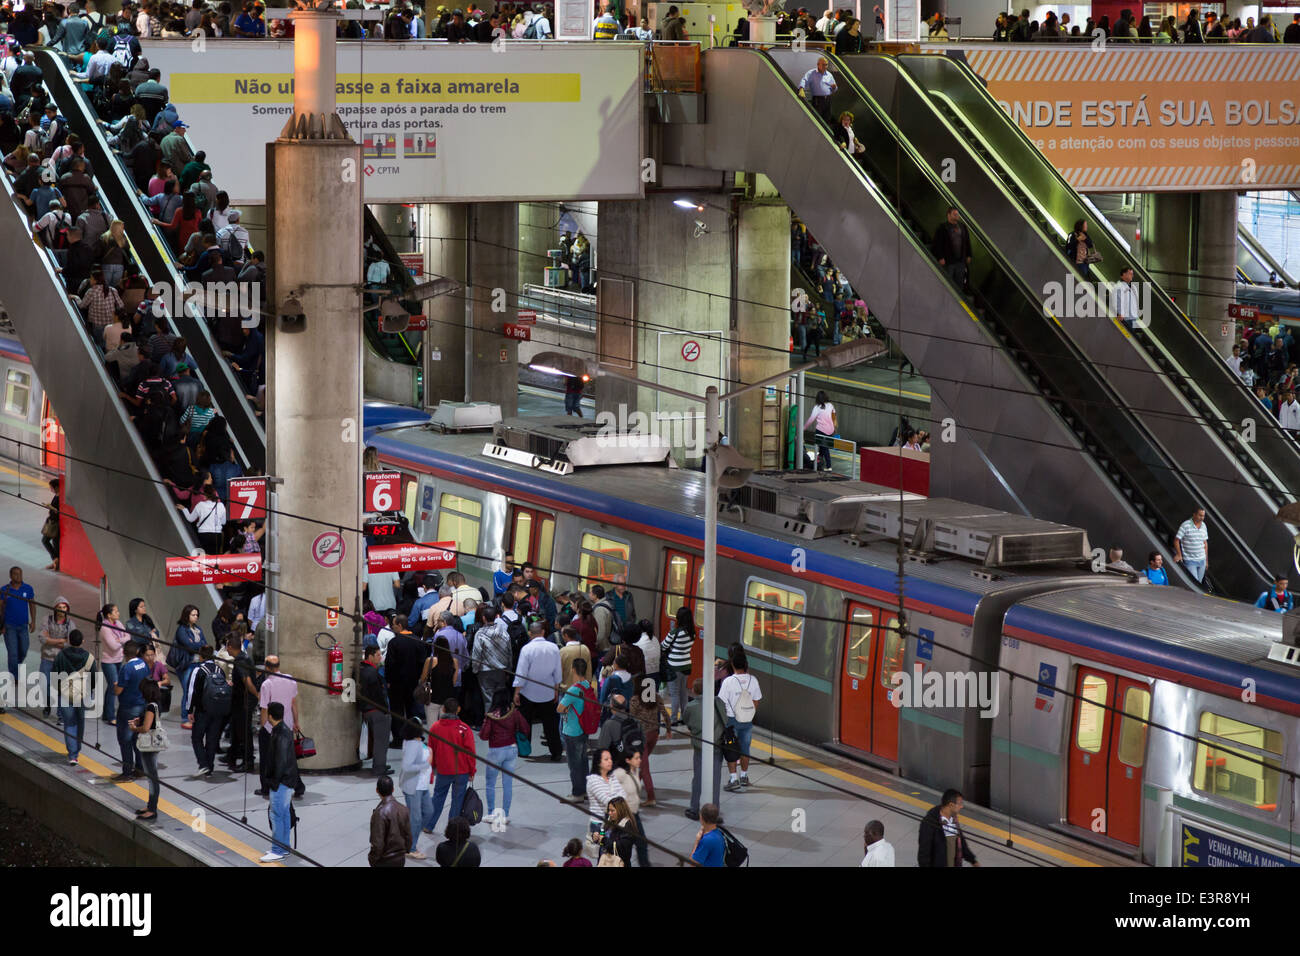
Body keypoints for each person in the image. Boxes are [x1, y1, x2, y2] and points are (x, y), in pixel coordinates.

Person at [513, 620, 563, 761]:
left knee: (524, 723)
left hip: (528, 691)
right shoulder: (553, 648)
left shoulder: (526, 649)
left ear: (530, 633)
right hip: (547, 690)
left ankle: (524, 750)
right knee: (551, 724)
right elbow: (557, 671)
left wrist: (517, 691)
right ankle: (556, 751)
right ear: (543, 632)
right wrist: (556, 689)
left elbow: (521, 672)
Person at [480, 687, 529, 824]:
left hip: (495, 751)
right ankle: (505, 815)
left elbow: (483, 736)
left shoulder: (491, 716)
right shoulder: (515, 713)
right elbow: (526, 728)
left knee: (490, 784)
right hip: (512, 749)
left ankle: (491, 813)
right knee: (507, 784)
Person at [427, 697, 477, 832]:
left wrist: (431, 770)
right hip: (461, 771)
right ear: (458, 710)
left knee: (437, 797)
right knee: (457, 801)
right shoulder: (465, 729)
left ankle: (428, 825)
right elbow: (471, 753)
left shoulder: (435, 727)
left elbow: (430, 750)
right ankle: (452, 830)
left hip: (443, 770)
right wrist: (472, 771)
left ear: (443, 709)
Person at [262, 700, 301, 862]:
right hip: (288, 781)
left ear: (270, 716)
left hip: (281, 782)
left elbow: (280, 762)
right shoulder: (284, 731)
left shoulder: (280, 734)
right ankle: (284, 847)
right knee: (284, 814)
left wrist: (273, 782)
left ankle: (277, 850)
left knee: (276, 815)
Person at [256, 655, 300, 797]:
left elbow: (264, 709)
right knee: (287, 758)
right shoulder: (290, 680)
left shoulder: (266, 685)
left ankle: (266, 788)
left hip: (271, 727)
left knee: (267, 759)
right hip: (287, 725)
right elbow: (293, 703)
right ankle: (296, 786)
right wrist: (296, 722)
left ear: (267, 667)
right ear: (278, 666)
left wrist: (263, 727)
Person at [684, 677, 727, 820]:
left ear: (694, 691)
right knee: (715, 780)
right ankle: (714, 812)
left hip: (700, 747)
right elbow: (726, 720)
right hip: (717, 747)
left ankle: (694, 808)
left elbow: (687, 722)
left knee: (698, 779)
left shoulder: (691, 706)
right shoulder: (719, 703)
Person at [719, 647, 761, 791]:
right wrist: (749, 713)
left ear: (732, 665)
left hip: (731, 720)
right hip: (747, 720)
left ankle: (733, 779)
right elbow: (756, 700)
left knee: (730, 748)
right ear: (746, 665)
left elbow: (721, 702)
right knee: (745, 748)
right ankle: (744, 776)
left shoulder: (728, 682)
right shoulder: (753, 680)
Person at [53, 629, 95, 765]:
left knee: (69, 723)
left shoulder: (61, 655)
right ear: (82, 641)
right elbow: (94, 678)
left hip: (65, 694)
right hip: (82, 695)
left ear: (69, 641)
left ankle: (72, 755)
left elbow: (54, 675)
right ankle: (77, 749)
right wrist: (90, 691)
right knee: (80, 722)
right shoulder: (89, 658)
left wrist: (58, 689)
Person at [557, 657, 595, 801]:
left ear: (573, 669)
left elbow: (560, 708)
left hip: (572, 731)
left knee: (574, 764)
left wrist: (566, 708)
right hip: (584, 729)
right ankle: (584, 790)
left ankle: (577, 793)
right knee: (583, 761)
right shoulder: (587, 685)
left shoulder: (573, 689)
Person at [113, 640, 152, 780]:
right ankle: (140, 768)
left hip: (128, 707)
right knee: (137, 738)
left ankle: (127, 772)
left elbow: (118, 690)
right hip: (142, 705)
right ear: (137, 652)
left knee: (125, 740)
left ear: (124, 653)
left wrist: (115, 685)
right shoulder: (144, 665)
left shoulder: (126, 668)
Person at [187, 645, 228, 775]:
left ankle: (203, 764)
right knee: (212, 739)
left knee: (196, 738)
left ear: (201, 655)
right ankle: (209, 768)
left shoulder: (199, 670)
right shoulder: (219, 670)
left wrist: (189, 710)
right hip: (218, 710)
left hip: (202, 710)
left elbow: (191, 691)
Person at [129, 678, 164, 821]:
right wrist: (141, 719)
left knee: (152, 777)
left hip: (148, 746)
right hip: (153, 744)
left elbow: (146, 728)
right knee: (151, 776)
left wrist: (134, 728)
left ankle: (152, 809)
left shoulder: (150, 707)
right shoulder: (156, 704)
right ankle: (150, 805)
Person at [918, 788, 979, 867]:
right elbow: (924, 852)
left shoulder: (953, 819)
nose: (961, 806)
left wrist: (973, 860)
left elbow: (961, 843)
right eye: (959, 803)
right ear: (951, 805)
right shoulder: (930, 822)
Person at [398, 717, 431, 859]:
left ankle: (409, 834)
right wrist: (425, 765)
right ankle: (410, 847)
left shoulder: (417, 741)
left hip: (423, 785)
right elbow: (406, 766)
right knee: (416, 818)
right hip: (414, 786)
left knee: (429, 812)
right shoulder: (412, 744)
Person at [612, 750, 650, 866]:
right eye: (637, 758)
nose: (640, 760)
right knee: (625, 848)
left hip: (634, 814)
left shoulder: (635, 770)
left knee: (641, 843)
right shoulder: (619, 774)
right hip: (623, 817)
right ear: (628, 760)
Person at [358, 644, 392, 775]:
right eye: (378, 655)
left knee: (378, 739)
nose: (380, 657)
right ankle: (379, 767)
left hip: (367, 710)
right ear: (370, 656)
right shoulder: (372, 672)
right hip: (376, 711)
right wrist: (385, 710)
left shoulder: (362, 669)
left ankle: (379, 764)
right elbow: (378, 694)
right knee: (381, 741)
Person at [1, 566, 36, 691]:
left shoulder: (28, 589)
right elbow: (0, 608)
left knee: (24, 649)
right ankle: (14, 676)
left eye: (20, 574)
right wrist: (1, 625)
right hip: (9, 627)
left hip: (23, 626)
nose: (18, 576)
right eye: (15, 574)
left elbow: (32, 605)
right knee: (13, 653)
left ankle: (15, 666)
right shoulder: (4, 590)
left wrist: (33, 621)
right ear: (11, 576)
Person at [171, 604, 207, 724]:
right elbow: (189, 645)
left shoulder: (198, 629)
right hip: (186, 665)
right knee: (187, 691)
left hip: (198, 664)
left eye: (197, 615)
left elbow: (205, 645)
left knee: (197, 691)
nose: (196, 617)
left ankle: (193, 714)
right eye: (193, 615)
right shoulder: (181, 629)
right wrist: (198, 645)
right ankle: (185, 716)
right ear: (187, 615)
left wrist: (197, 645)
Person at [662, 606, 696, 727]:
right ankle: (684, 717)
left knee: (674, 693)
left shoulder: (675, 633)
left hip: (674, 666)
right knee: (683, 693)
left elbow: (663, 646)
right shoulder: (692, 633)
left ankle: (673, 719)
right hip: (686, 665)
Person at [39, 597, 72, 718]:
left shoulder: (70, 624)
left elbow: (71, 642)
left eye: (64, 607)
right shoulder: (47, 620)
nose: (62, 610)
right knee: (44, 683)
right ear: (55, 608)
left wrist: (50, 640)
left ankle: (60, 712)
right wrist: (60, 641)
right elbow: (42, 638)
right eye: (59, 607)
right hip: (47, 658)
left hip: (62, 660)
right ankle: (47, 705)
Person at [369, 774, 412, 867]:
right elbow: (408, 835)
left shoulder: (379, 813)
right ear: (393, 789)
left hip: (384, 860)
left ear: (377, 790)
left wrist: (372, 858)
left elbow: (377, 842)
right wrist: (405, 851)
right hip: (400, 859)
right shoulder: (404, 809)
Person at [585, 748, 626, 844]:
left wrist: (616, 797)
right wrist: (616, 797)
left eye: (610, 759)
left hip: (613, 820)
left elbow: (623, 795)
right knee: (604, 852)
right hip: (600, 824)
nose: (610, 761)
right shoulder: (593, 781)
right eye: (606, 759)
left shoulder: (612, 777)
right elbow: (607, 801)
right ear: (598, 763)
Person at [932, 205, 972, 290]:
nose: (957, 216)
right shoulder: (942, 228)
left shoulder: (962, 227)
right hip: (948, 261)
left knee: (959, 284)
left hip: (960, 261)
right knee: (947, 283)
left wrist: (969, 255)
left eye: (957, 214)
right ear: (948, 215)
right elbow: (937, 244)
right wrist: (940, 257)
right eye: (954, 214)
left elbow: (967, 241)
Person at [804, 390, 838, 471]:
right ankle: (819, 463)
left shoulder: (817, 407)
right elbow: (834, 417)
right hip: (831, 431)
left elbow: (811, 419)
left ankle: (829, 466)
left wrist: (804, 428)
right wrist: (834, 427)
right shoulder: (830, 405)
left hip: (821, 431)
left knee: (824, 448)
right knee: (822, 448)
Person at [1173, 506, 1209, 584]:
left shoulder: (1204, 526)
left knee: (1198, 584)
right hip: (1190, 561)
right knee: (1195, 583)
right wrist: (1179, 555)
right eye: (1200, 515)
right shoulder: (1185, 525)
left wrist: (1206, 560)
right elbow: (1176, 540)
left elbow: (1205, 543)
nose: (1202, 518)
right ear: (1194, 514)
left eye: (1203, 516)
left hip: (1202, 560)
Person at [797, 57, 838, 124]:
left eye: (826, 65)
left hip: (828, 99)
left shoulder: (829, 75)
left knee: (827, 119)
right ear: (818, 64)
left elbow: (835, 88)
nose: (825, 67)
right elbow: (804, 80)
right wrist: (801, 88)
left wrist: (834, 87)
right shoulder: (812, 73)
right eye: (823, 64)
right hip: (818, 100)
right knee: (817, 120)